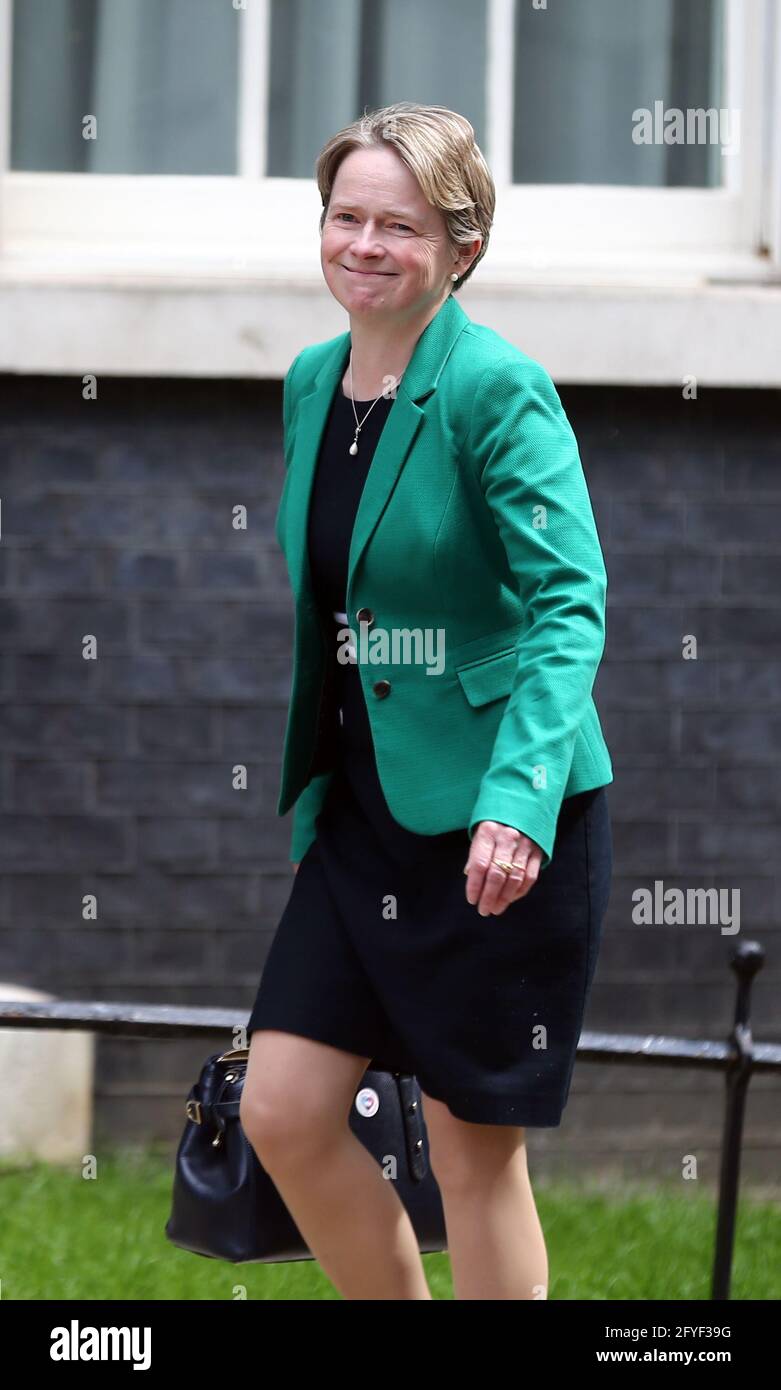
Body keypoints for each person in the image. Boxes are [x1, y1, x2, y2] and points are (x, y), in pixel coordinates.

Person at [239, 101, 613, 1301]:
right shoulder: (311, 383)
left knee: (468, 1151)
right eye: (344, 216)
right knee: (284, 1110)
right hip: (360, 816)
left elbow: (570, 603)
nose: (362, 244)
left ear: (462, 247)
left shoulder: (497, 390)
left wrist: (519, 801)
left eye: (396, 225)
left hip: (491, 823)